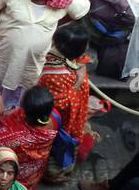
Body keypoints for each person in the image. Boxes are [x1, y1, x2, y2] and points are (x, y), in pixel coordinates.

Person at [0, 86, 61, 190]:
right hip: (33, 172)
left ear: (25, 112)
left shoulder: (15, 138)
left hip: (15, 178)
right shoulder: (54, 116)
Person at [38, 22, 96, 181]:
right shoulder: (56, 74)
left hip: (76, 111)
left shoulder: (66, 58)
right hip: (62, 120)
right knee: (60, 144)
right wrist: (78, 83)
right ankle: (54, 172)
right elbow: (62, 103)